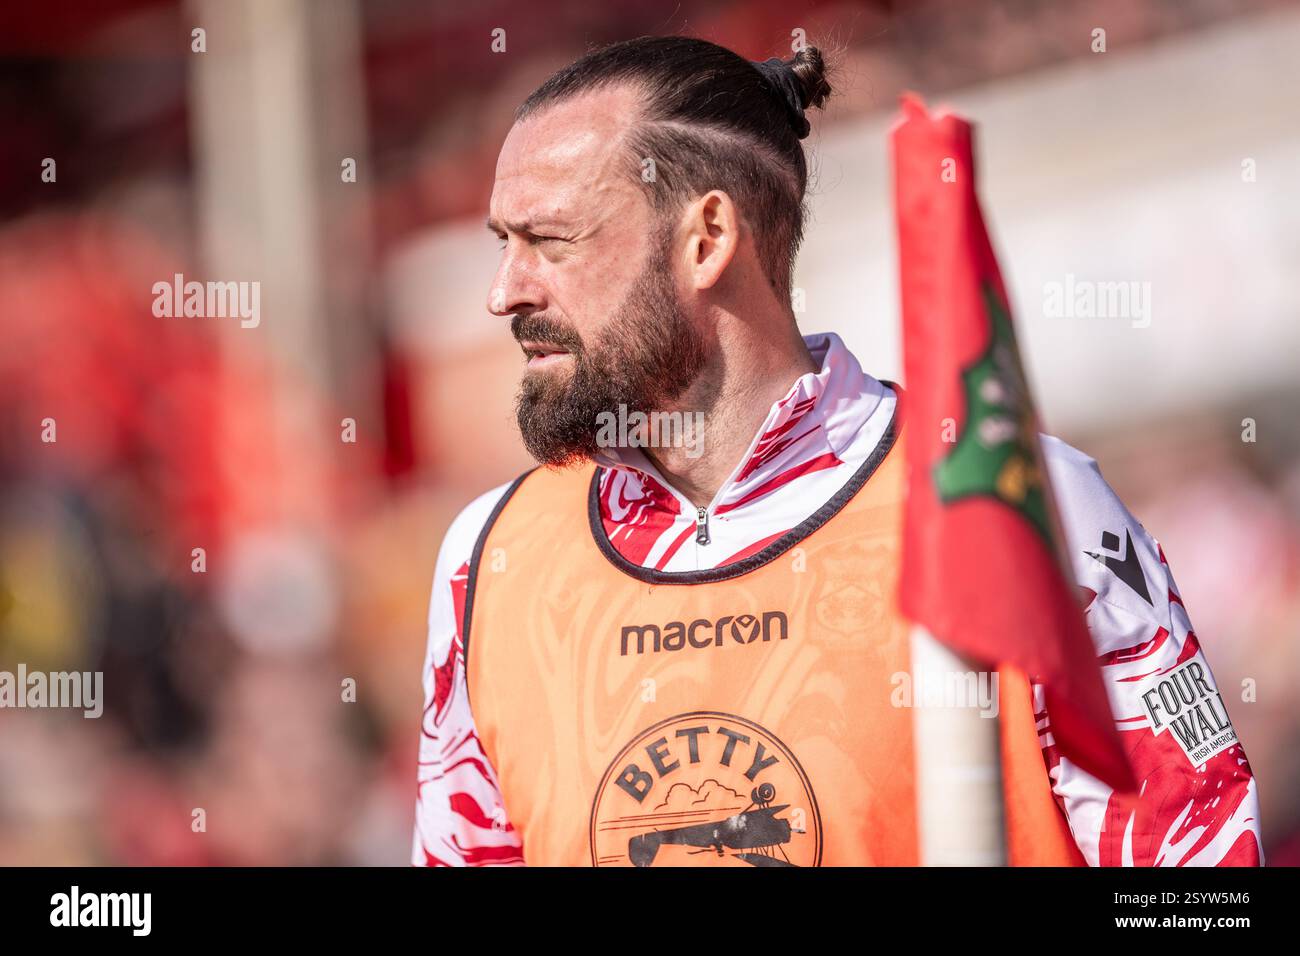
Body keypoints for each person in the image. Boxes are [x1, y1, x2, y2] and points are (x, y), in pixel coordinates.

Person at [412, 36, 1260, 867]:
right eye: (502, 243)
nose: (503, 292)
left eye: (550, 241)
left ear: (706, 240)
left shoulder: (1014, 501)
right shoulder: (487, 561)